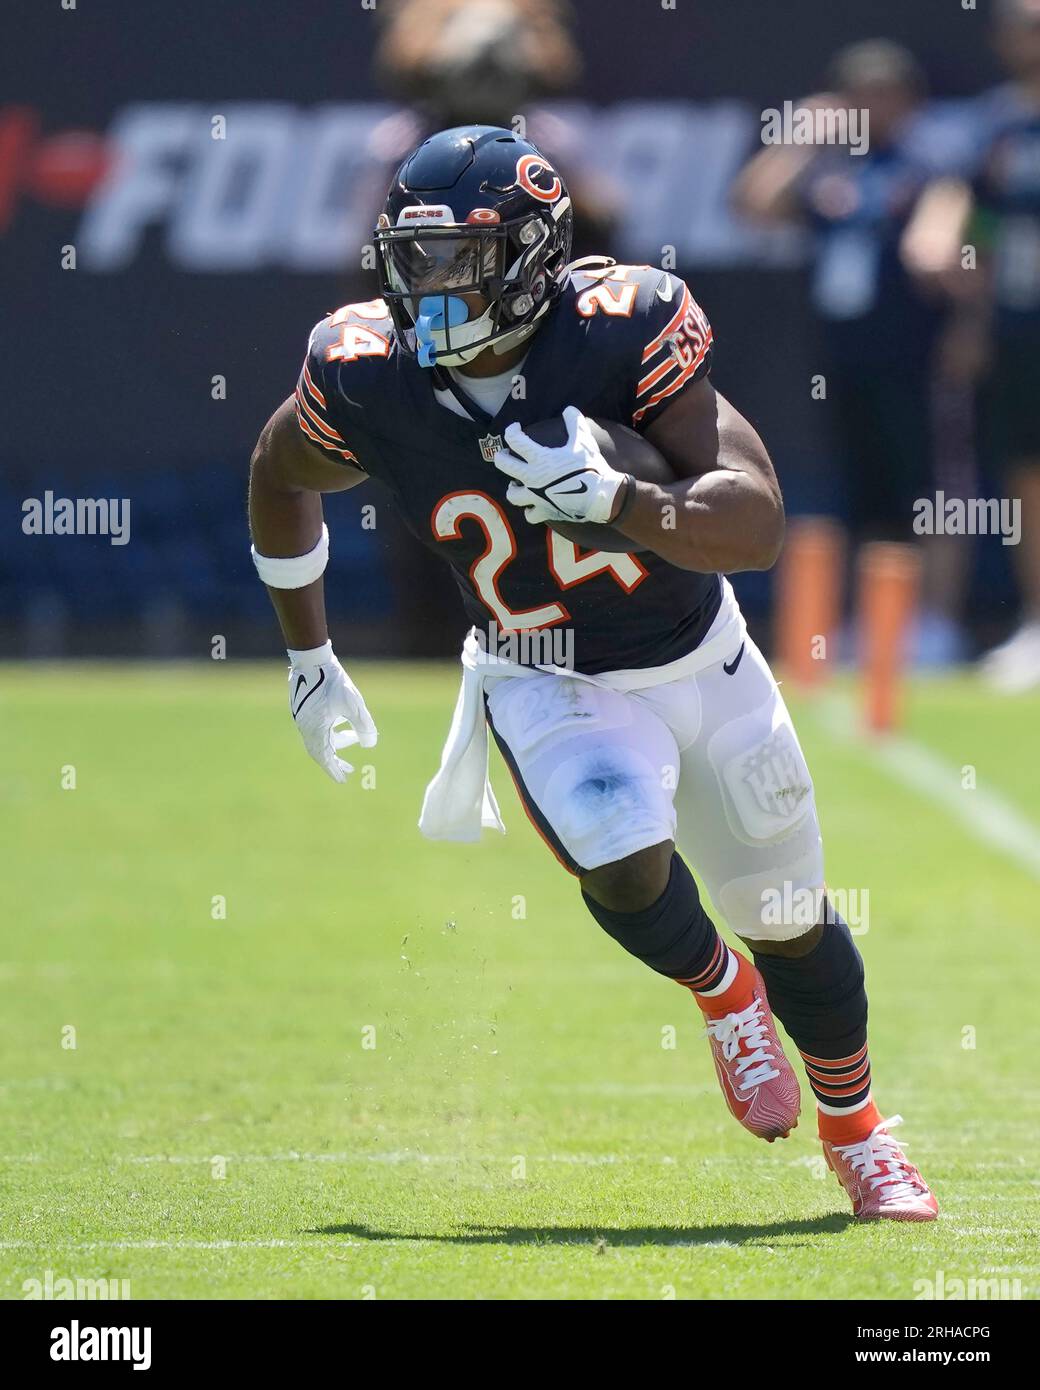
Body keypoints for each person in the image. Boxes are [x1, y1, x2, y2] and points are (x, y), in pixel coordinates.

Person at [248, 126, 937, 1221]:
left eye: (456, 263)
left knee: (788, 912)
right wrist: (307, 650)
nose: (425, 294)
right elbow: (277, 469)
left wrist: (625, 501)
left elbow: (753, 520)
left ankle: (858, 1135)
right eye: (411, 260)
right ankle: (722, 992)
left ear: (529, 259)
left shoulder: (621, 330)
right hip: (540, 671)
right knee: (616, 845)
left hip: (697, 659)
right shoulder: (363, 367)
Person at [732, 40, 968, 665]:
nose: (871, 107)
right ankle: (876, 621)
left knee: (929, 491)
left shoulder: (929, 166)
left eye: (885, 94)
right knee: (859, 494)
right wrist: (802, 136)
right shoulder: (831, 172)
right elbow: (754, 204)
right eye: (859, 94)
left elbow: (944, 244)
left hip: (916, 359)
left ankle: (936, 625)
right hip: (841, 362)